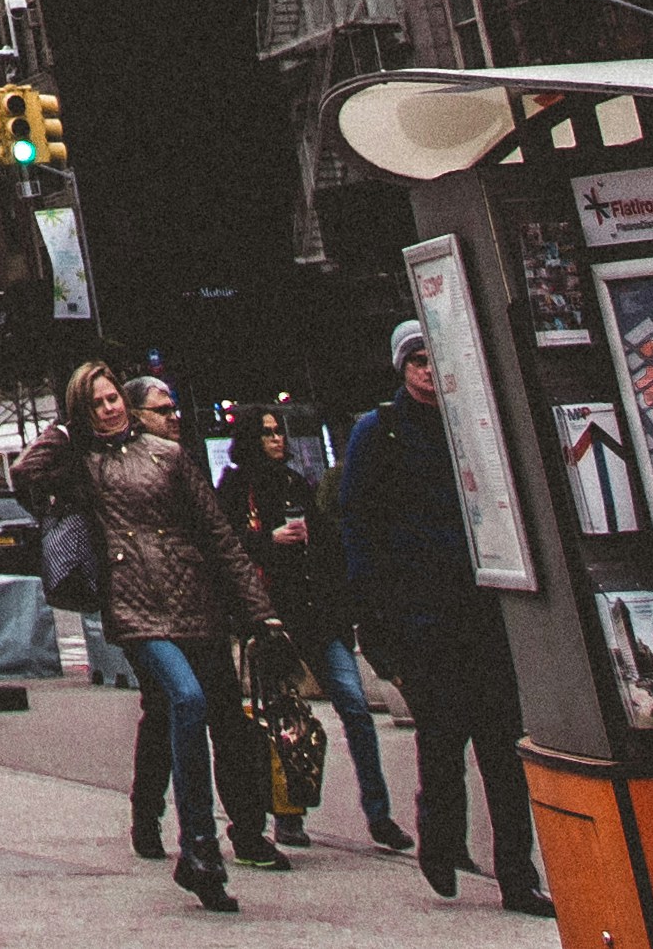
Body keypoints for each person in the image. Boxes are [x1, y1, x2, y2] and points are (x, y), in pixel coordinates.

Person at [20, 362, 277, 913]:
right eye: (95, 403)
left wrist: (259, 612)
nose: (108, 409)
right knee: (185, 699)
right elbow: (26, 473)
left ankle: (204, 847)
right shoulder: (81, 464)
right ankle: (199, 844)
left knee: (209, 712)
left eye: (112, 398)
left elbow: (219, 535)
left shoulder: (169, 455)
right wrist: (63, 430)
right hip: (134, 607)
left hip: (194, 601)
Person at [339, 319, 549, 917]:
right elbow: (358, 527)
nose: (429, 371)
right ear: (402, 368)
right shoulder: (378, 433)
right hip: (422, 616)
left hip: (484, 609)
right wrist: (375, 623)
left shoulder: (474, 423)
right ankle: (439, 839)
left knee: (504, 749)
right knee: (441, 740)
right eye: (417, 361)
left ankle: (517, 875)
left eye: (436, 359)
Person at [221, 385, 399, 856]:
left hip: (317, 613)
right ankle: (287, 814)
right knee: (282, 716)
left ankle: (378, 813)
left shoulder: (297, 483)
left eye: (279, 431)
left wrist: (343, 604)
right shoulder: (237, 488)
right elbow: (228, 547)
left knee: (355, 707)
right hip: (274, 617)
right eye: (266, 433)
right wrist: (267, 541)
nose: (276, 440)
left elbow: (325, 548)